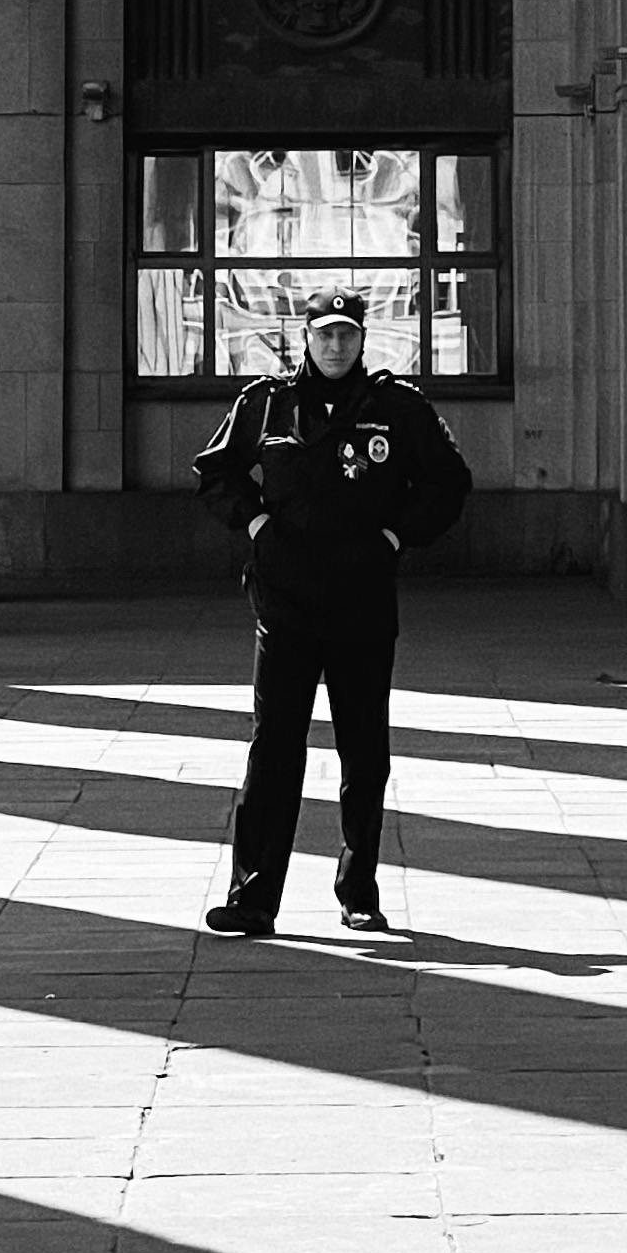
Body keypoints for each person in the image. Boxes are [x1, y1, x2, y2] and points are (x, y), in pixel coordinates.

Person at [193, 288, 473, 936]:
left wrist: (396, 537)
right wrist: (257, 522)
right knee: (273, 751)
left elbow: (448, 483)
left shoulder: (395, 409)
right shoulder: (266, 404)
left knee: (364, 752)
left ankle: (360, 890)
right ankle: (253, 898)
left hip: (361, 606)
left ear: (363, 340)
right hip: (285, 606)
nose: (336, 346)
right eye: (326, 335)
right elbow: (216, 476)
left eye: (347, 335)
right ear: (306, 337)